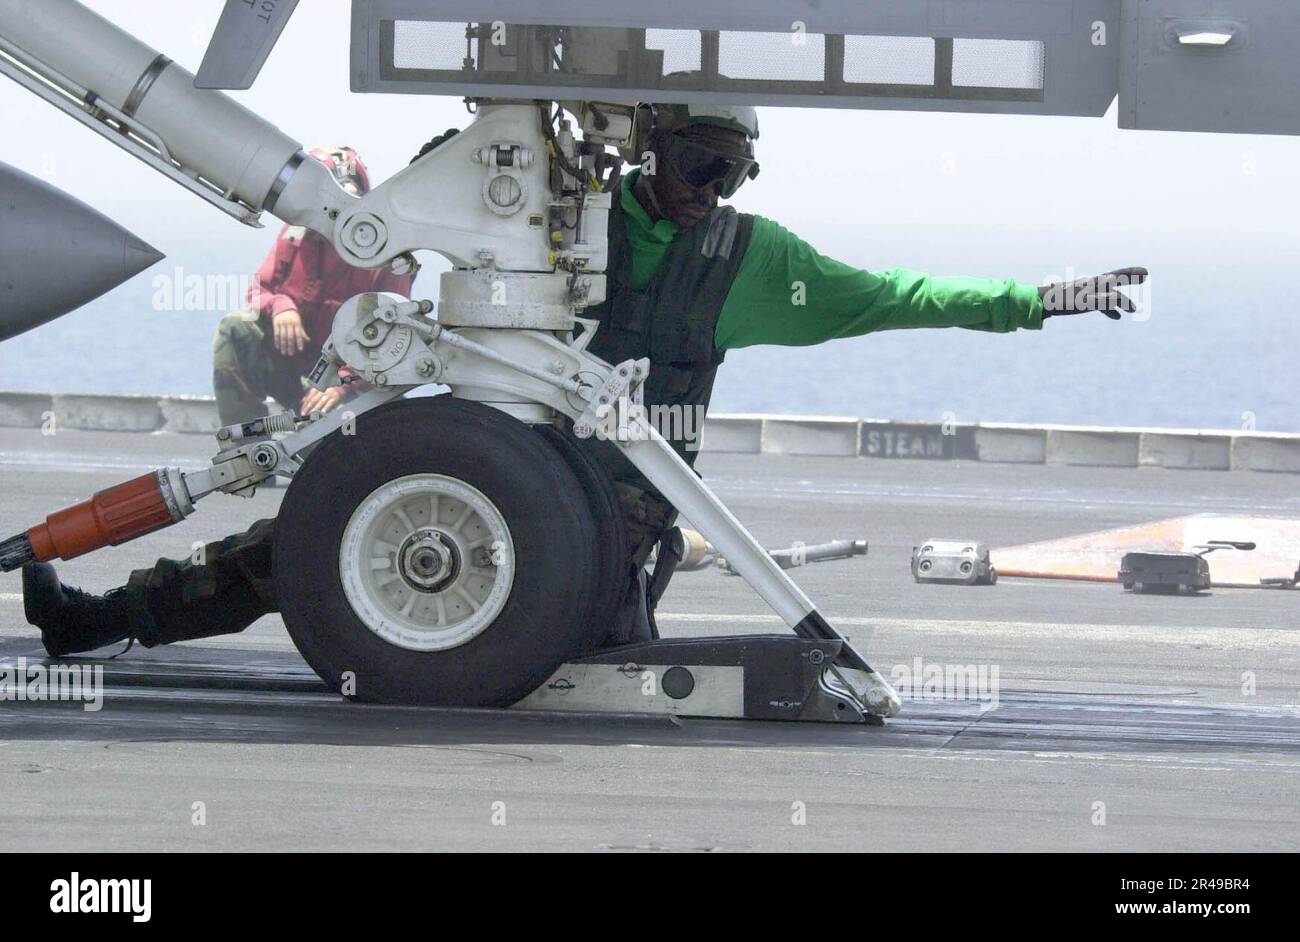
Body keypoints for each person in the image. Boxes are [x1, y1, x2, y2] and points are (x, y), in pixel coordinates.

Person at [21, 105, 1145, 658]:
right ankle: (108, 622)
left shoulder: (752, 263)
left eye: (729, 168)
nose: (709, 186)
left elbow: (901, 292)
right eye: (694, 160)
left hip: (621, 500)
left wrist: (1043, 298)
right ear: (649, 152)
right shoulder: (559, 222)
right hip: (514, 461)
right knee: (307, 544)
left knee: (588, 659)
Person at [212, 146, 414, 425]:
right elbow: (258, 291)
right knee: (235, 328)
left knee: (321, 454)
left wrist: (343, 384)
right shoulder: (297, 234)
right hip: (303, 377)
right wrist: (282, 307)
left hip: (358, 389)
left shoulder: (386, 255)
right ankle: (245, 447)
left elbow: (394, 342)